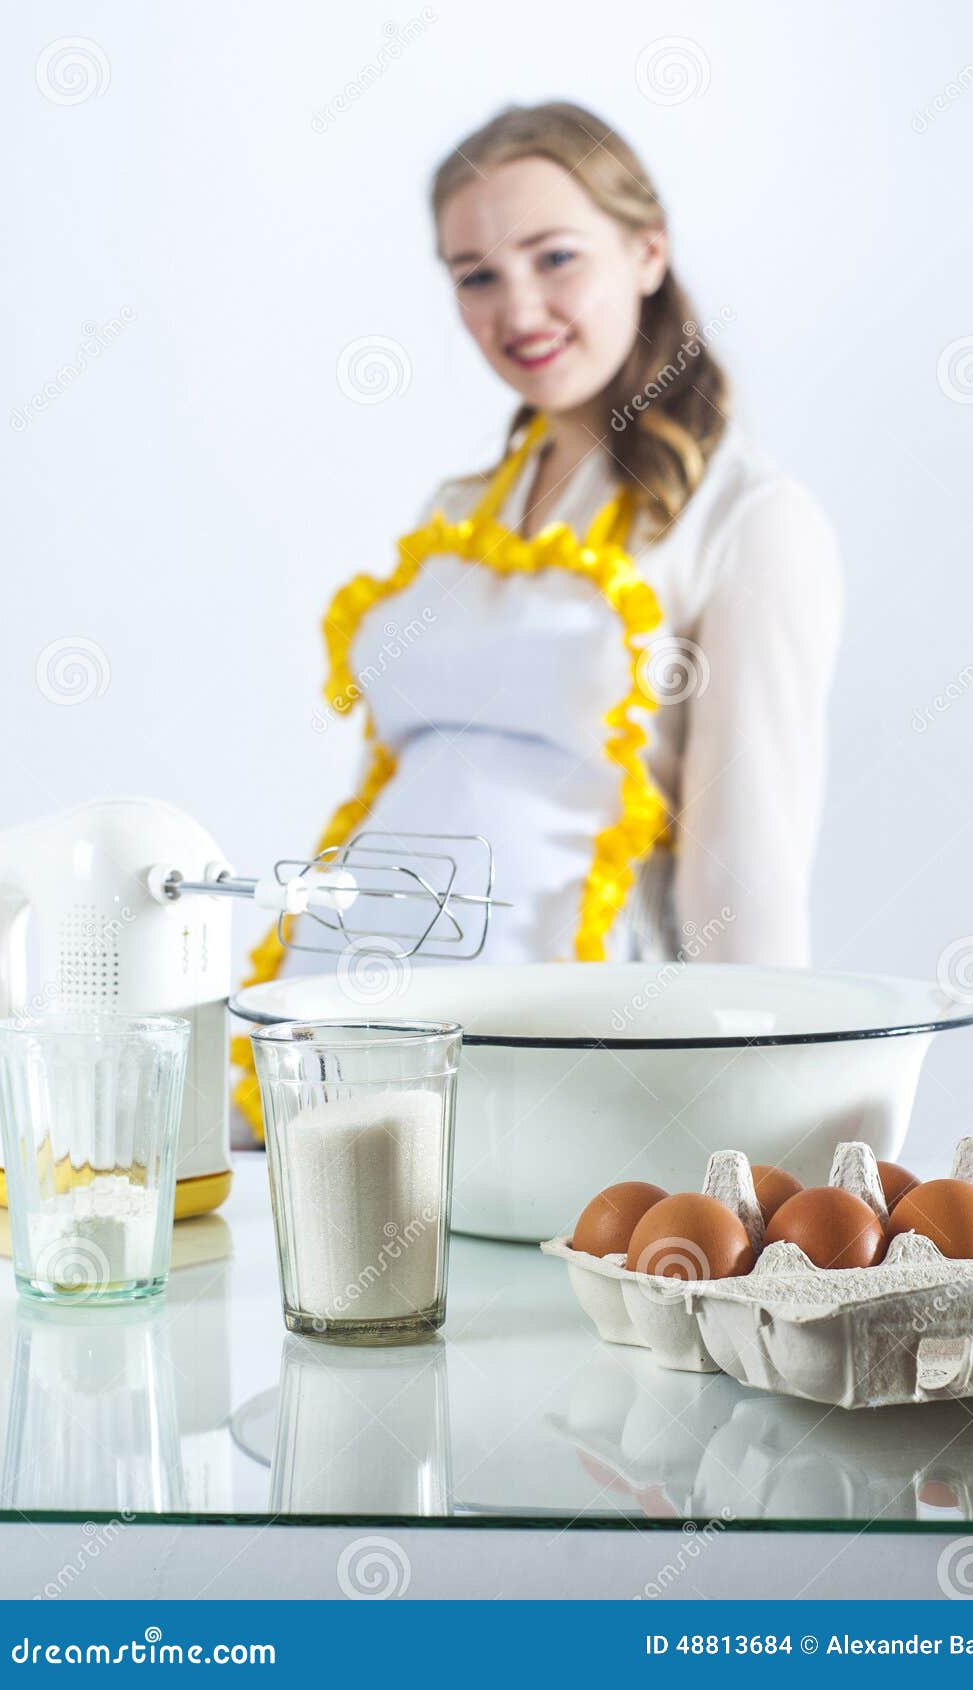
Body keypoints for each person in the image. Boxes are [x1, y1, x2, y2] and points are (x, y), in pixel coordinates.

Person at [234, 100, 843, 1123]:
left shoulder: (749, 520)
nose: (516, 308)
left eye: (554, 257)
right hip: (327, 1036)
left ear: (646, 252)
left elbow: (746, 874)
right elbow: (391, 783)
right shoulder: (456, 514)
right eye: (474, 274)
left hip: (549, 1069)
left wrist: (762, 1128)